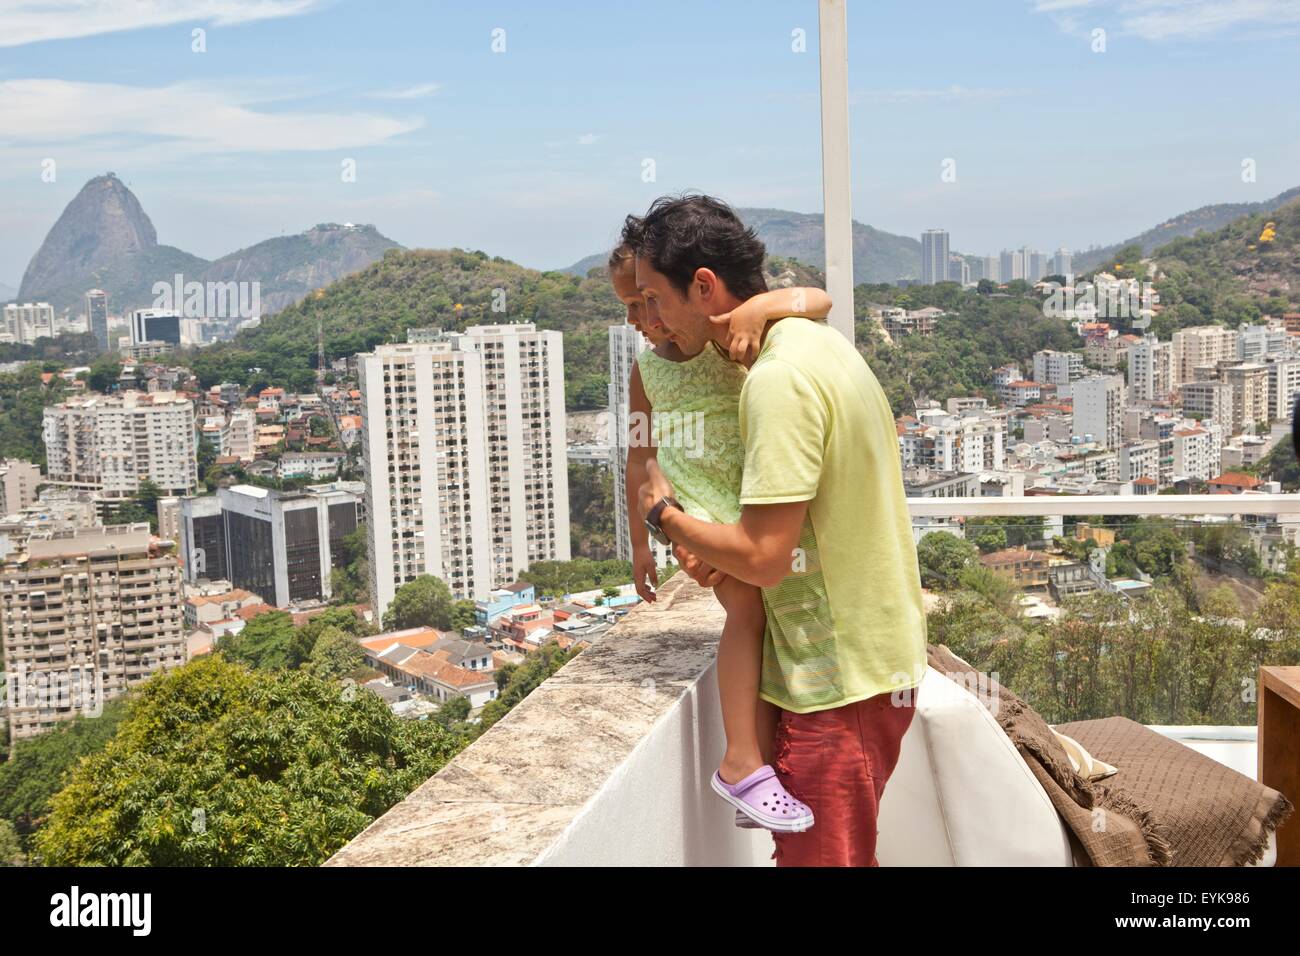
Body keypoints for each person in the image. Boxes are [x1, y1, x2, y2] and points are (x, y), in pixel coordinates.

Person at [631, 194, 928, 866]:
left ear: (703, 285)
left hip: (840, 685)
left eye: (654, 297)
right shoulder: (815, 344)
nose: (647, 318)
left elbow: (764, 559)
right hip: (863, 665)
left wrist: (665, 515)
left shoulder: (777, 380)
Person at [610, 217, 832, 832]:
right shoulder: (646, 373)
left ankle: (756, 773)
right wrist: (642, 542)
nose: (639, 319)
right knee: (749, 612)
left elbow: (818, 300)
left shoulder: (724, 333)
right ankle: (742, 763)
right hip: (701, 505)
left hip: (747, 497)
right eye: (630, 305)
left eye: (646, 300)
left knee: (769, 620)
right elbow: (640, 456)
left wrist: (760, 310)